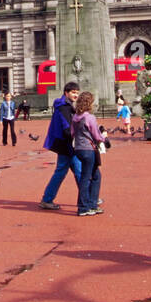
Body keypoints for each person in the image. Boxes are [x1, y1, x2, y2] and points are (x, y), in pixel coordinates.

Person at [38, 82, 81, 210]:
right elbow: (66, 127)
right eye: (73, 92)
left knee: (76, 171)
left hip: (65, 144)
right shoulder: (64, 108)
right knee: (71, 171)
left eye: (77, 93)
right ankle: (88, 198)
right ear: (66, 93)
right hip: (65, 144)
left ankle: (89, 197)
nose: (75, 95)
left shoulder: (65, 106)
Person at [71, 92, 107, 216]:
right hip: (88, 149)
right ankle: (84, 207)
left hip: (79, 149)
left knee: (95, 176)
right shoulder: (89, 117)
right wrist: (104, 138)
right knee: (87, 177)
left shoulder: (75, 117)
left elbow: (72, 133)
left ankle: (91, 204)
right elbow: (96, 135)